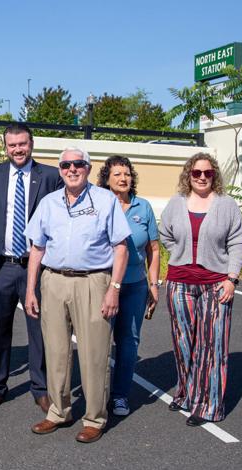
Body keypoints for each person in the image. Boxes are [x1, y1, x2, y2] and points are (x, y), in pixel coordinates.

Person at [25, 147, 130, 444]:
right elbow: (37, 248)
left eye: (78, 164)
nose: (72, 169)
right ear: (60, 170)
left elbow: (120, 248)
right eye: (66, 165)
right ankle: (59, 411)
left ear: (88, 168)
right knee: (56, 351)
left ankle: (95, 418)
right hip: (54, 281)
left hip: (93, 282)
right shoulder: (48, 203)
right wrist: (31, 289)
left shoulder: (105, 200)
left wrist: (114, 289)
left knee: (94, 354)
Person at [0, 124, 62, 414]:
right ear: (5, 147)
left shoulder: (50, 176)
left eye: (22, 144)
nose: (18, 149)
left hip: (37, 267)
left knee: (39, 330)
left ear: (31, 144)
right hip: (3, 266)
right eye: (12, 145)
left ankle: (41, 388)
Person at [159, 152, 242, 426]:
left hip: (216, 283)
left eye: (208, 173)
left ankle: (208, 405)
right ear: (189, 174)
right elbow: (165, 234)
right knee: (183, 342)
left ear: (214, 175)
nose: (202, 177)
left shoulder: (227, 205)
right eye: (196, 172)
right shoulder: (176, 203)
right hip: (180, 281)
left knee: (212, 345)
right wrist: (180, 252)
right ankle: (186, 393)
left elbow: (237, 242)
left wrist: (232, 278)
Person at [96, 155, 160, 417]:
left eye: (127, 174)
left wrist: (154, 284)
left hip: (135, 286)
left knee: (129, 341)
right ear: (106, 179)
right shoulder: (98, 204)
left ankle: (120, 395)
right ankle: (96, 397)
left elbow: (154, 248)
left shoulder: (143, 207)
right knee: (99, 341)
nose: (123, 178)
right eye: (117, 174)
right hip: (102, 284)